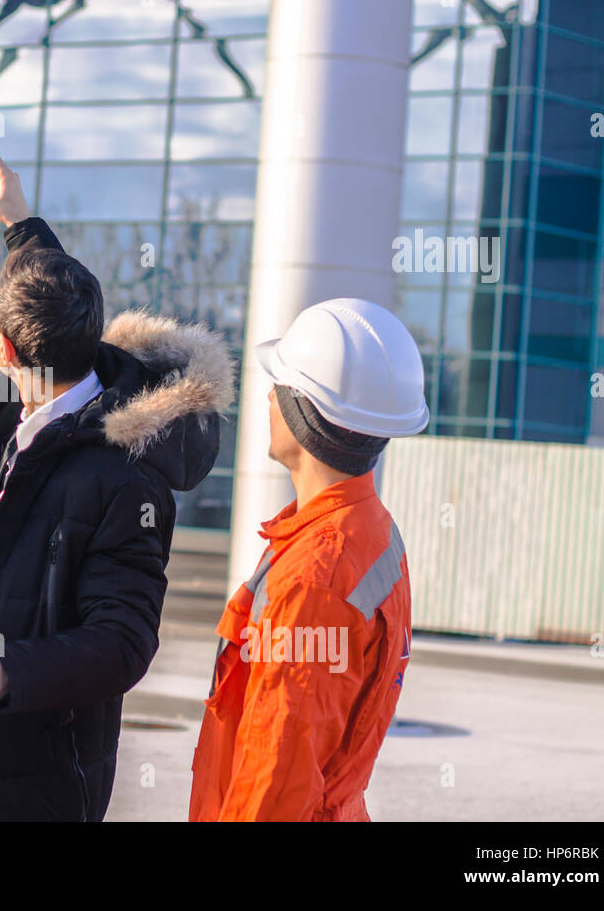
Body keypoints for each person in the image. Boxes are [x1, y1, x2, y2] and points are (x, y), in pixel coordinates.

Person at [0, 139, 235, 821]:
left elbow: (125, 640)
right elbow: (51, 290)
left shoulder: (124, 480)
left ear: (3, 349)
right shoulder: (35, 398)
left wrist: (13, 671)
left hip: (21, 789)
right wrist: (19, 222)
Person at [188, 297, 430, 821]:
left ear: (305, 412)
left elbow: (277, 772)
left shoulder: (315, 576)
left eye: (279, 388)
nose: (269, 400)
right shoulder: (370, 531)